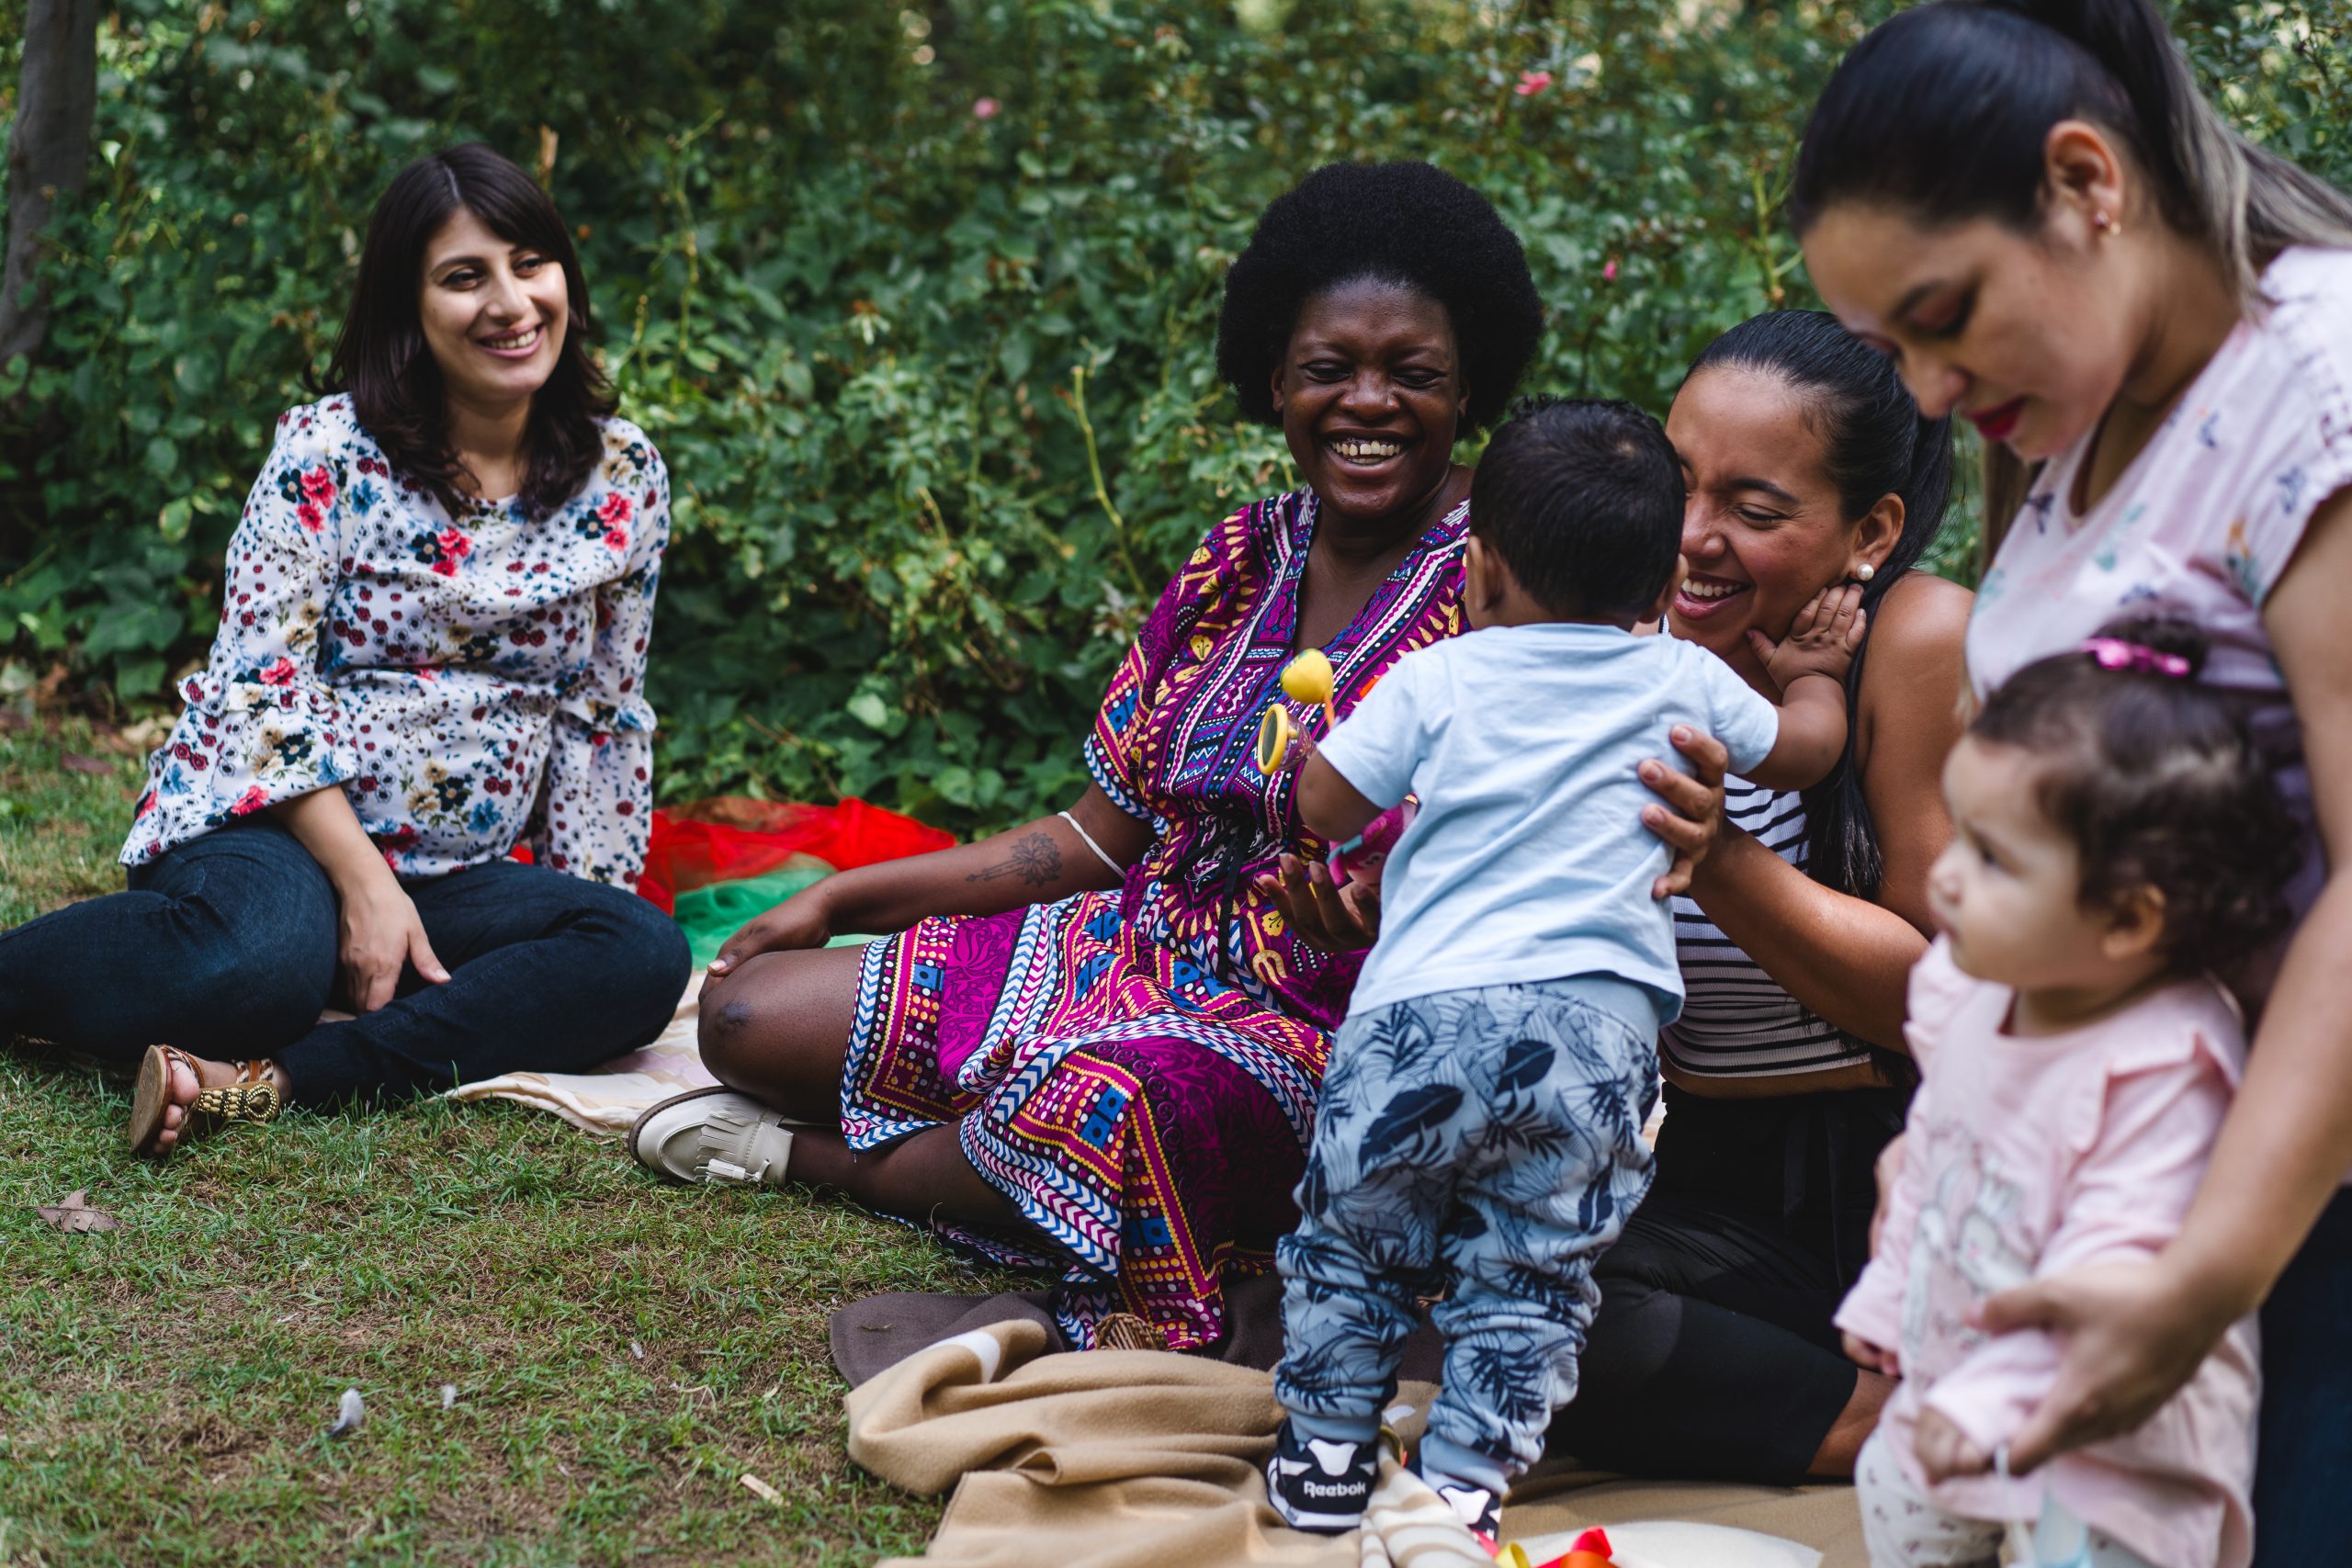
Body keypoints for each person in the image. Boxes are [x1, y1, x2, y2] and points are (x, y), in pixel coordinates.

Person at [624, 161, 1545, 1351]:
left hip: (1326, 1017)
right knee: (746, 1017)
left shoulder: (1512, 573)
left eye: (1411, 372)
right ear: (1275, 379)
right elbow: (1095, 835)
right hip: (1132, 938)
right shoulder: (1238, 559)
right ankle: (1011, 1143)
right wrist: (844, 893)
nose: (1367, 401)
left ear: (1469, 383)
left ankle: (833, 1165)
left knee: (1106, 1100)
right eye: (1329, 369)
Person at [1789, 1, 2352, 1555]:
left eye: (1942, 313)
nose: (1929, 388)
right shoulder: (2084, 422)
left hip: (2294, 1211)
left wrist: (2206, 1276)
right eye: (1893, 347)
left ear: (2086, 183)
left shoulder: (2317, 379)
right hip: (2160, 1199)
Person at [0, 143, 690, 1154]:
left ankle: (272, 1078)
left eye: (530, 263)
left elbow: (602, 714)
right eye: (464, 277)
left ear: (566, 281)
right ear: (406, 307)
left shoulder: (623, 473)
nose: (510, 303)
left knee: (635, 954)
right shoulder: (329, 450)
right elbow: (256, 685)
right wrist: (364, 886)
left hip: (455, 874)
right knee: (259, 964)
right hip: (270, 832)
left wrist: (577, 917)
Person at [1261, 397, 1864, 1540]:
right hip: (1594, 1041)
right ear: (1655, 584)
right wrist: (1821, 669)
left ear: (1481, 571)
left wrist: (1317, 743)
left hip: (1416, 1024)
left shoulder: (1442, 677)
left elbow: (1324, 808)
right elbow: (1803, 754)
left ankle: (1329, 1449)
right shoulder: (1679, 677)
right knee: (1531, 1274)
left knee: (1354, 1239)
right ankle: (1461, 1485)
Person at [1542, 310, 1973, 1483]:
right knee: (1508, 1296)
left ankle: (1918, 1419)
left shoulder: (1914, 639)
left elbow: (1938, 994)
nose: (1692, 539)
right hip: (1707, 1179)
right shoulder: (1616, 642)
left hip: (1899, 1171)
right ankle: (1899, 1408)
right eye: (1676, 484)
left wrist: (1719, 854)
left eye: (1754, 509)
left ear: (1868, 531)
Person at [1839, 619, 2290, 1568]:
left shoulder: (2163, 1064)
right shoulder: (1970, 987)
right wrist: (1891, 1306)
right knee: (1890, 1488)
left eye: (1995, 860)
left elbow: (2116, 1265)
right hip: (1950, 1382)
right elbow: (1931, 1148)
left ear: (2127, 918)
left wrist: (1991, 1402)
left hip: (2101, 1438)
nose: (1947, 878)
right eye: (1960, 833)